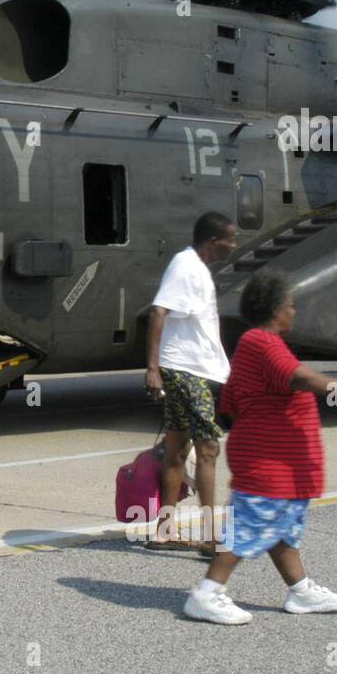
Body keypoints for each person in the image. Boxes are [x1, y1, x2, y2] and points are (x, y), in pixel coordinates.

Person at [182, 272, 337, 624]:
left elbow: (231, 405)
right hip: (268, 464)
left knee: (280, 528)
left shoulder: (252, 345)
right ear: (275, 310)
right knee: (248, 526)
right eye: (290, 306)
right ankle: (207, 593)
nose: (295, 312)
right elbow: (298, 377)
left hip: (277, 462)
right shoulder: (263, 343)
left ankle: (300, 590)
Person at [145, 211, 237, 547]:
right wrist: (152, 368)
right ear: (214, 241)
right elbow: (158, 311)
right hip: (185, 370)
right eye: (230, 238)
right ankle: (211, 537)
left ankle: (164, 531)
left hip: (188, 367)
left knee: (177, 451)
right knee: (209, 448)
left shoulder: (195, 267)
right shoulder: (185, 266)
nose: (233, 244)